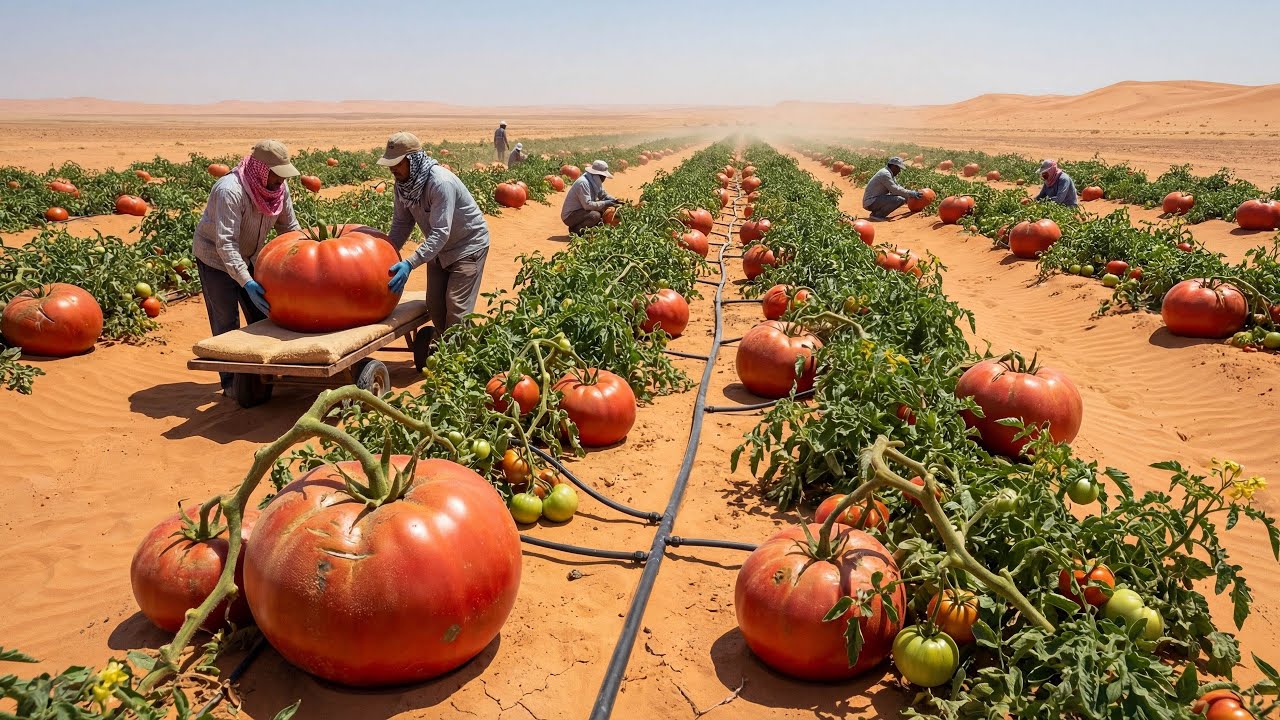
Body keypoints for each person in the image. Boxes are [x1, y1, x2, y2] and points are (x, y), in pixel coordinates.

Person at [192, 139, 300, 397]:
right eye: (277, 175)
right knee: (226, 324)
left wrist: (303, 258)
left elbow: (290, 229)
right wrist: (247, 283)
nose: (280, 181)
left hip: (251, 257)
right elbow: (226, 245)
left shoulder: (278, 190)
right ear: (262, 169)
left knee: (263, 318)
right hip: (215, 259)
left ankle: (264, 374)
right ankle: (231, 383)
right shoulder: (230, 191)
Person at [381, 131, 491, 342]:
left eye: (397, 162)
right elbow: (402, 223)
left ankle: (457, 361)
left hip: (467, 246)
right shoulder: (403, 186)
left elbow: (441, 231)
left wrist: (410, 263)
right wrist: (385, 253)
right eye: (390, 162)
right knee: (435, 306)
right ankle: (450, 347)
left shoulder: (440, 183)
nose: (392, 168)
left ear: (412, 160)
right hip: (439, 250)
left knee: (457, 309)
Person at [561, 160, 618, 235]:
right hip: (570, 216)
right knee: (595, 215)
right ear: (597, 174)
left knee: (602, 210)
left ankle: (588, 228)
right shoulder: (583, 183)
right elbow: (587, 205)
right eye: (603, 176)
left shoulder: (595, 180)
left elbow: (603, 195)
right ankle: (576, 230)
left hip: (582, 211)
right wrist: (606, 203)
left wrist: (614, 200)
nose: (604, 179)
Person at [862, 156, 923, 221]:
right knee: (899, 199)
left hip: (875, 200)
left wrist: (909, 195)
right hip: (871, 202)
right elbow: (895, 190)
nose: (899, 171)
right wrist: (911, 193)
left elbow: (898, 186)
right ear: (894, 166)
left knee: (902, 198)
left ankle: (876, 213)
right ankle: (877, 215)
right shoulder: (885, 174)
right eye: (899, 168)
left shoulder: (889, 173)